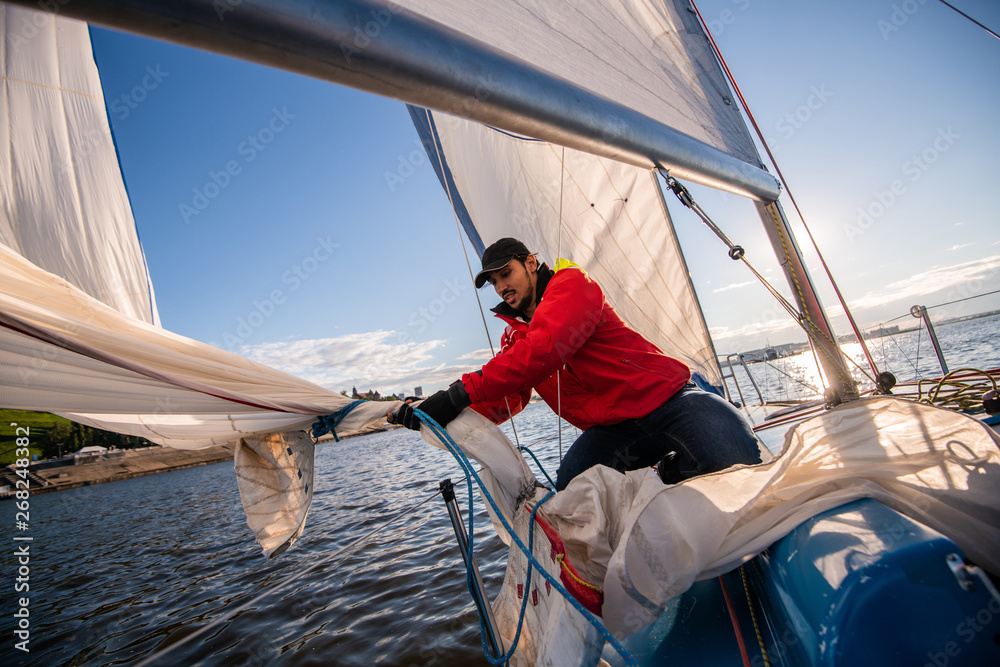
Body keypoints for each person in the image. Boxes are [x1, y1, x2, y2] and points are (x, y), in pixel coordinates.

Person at [393, 238, 762, 490]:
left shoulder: (573, 284)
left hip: (671, 402)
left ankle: (673, 471)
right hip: (614, 432)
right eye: (493, 281)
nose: (501, 286)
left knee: (738, 459)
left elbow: (547, 349)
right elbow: (508, 398)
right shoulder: (514, 339)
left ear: (531, 262)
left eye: (506, 273)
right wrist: (433, 414)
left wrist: (458, 392)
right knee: (571, 493)